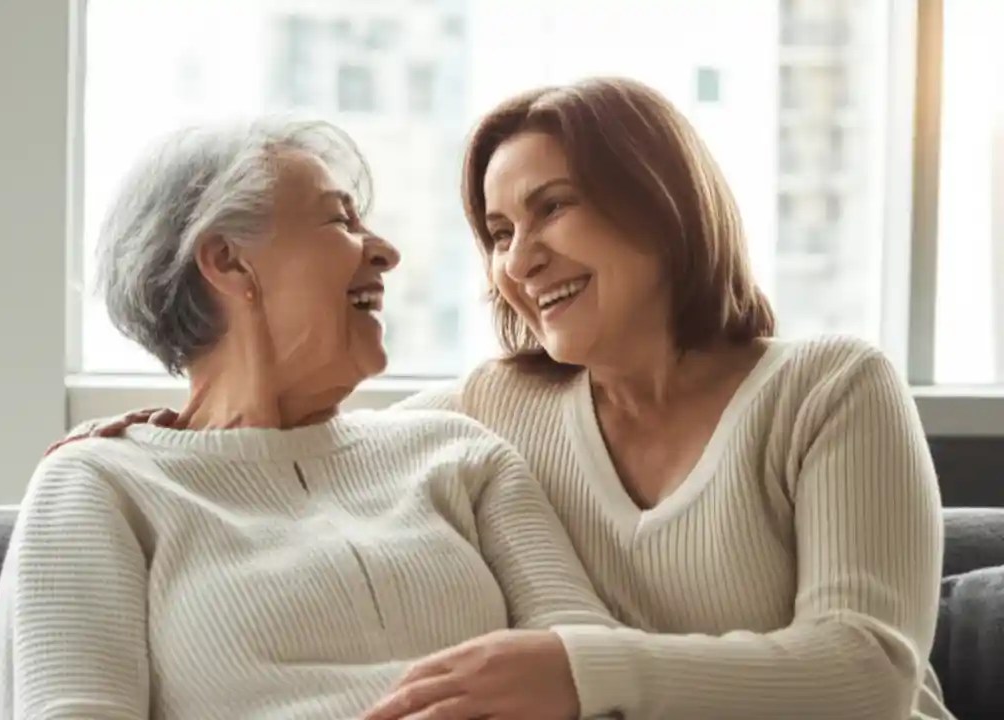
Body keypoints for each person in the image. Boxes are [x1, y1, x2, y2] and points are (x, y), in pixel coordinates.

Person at [68, 79, 950, 720]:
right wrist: (161, 436)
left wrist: (579, 670)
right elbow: (294, 449)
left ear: (660, 203)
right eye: (498, 233)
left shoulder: (829, 387)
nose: (519, 260)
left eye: (553, 208)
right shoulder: (497, 408)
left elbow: (868, 672)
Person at [0, 118, 618, 720]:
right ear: (229, 262)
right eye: (340, 219)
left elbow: (605, 678)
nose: (387, 253)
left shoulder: (458, 450)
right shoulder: (100, 485)